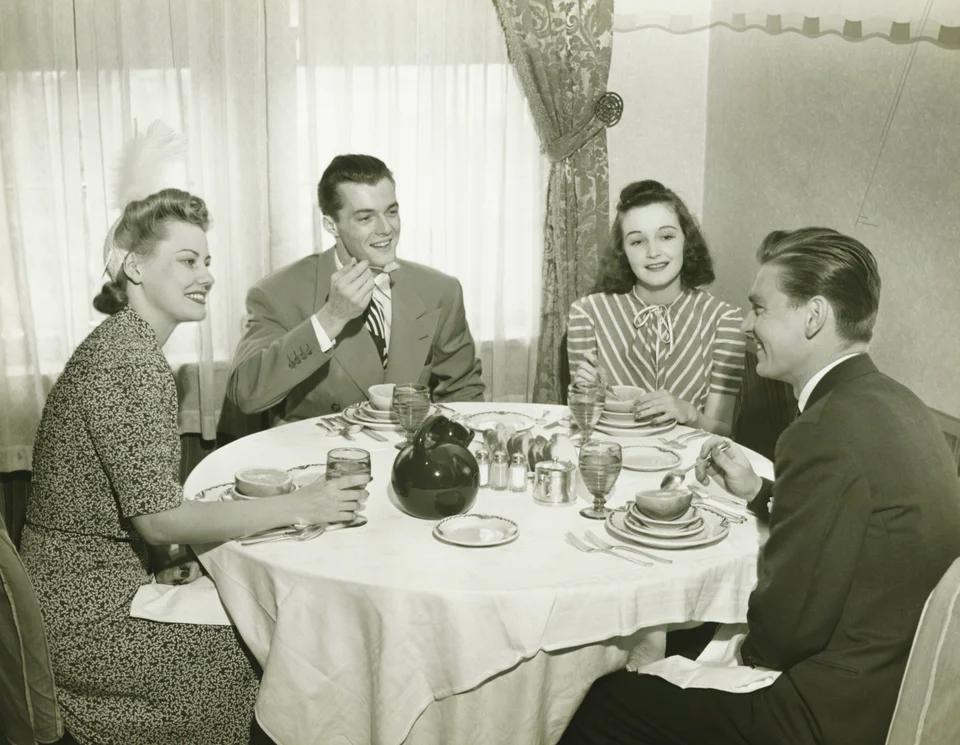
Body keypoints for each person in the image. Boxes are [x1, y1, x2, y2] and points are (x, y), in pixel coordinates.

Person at [560, 228, 960, 745]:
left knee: (601, 700)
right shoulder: (901, 403)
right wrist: (758, 491)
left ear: (813, 316)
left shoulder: (821, 431)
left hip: (831, 713)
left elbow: (783, 634)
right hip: (896, 677)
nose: (748, 326)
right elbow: (859, 514)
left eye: (759, 309)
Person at [19, 189, 369, 745]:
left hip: (78, 589)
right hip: (87, 618)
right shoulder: (129, 361)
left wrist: (171, 556)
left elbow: (142, 513)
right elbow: (158, 521)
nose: (205, 275)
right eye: (187, 260)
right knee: (276, 644)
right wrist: (305, 503)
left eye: (206, 261)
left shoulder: (124, 345)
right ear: (135, 266)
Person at [226, 154, 485, 424]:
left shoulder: (440, 290)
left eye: (392, 211)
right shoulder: (277, 292)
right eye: (365, 218)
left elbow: (463, 391)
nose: (386, 229)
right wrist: (331, 318)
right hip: (321, 458)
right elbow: (246, 394)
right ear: (331, 225)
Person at [567, 180, 745, 436]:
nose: (653, 252)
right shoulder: (587, 314)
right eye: (637, 241)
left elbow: (723, 432)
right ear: (623, 251)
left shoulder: (724, 320)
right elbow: (580, 425)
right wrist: (590, 396)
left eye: (666, 236)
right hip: (613, 458)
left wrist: (690, 413)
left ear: (686, 239)